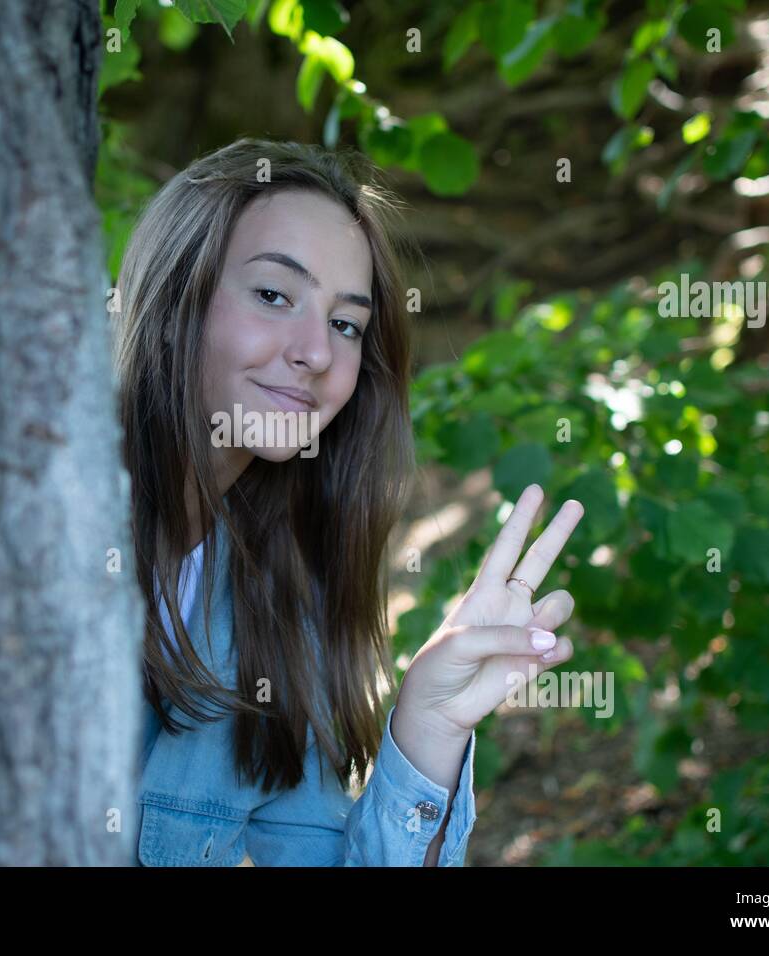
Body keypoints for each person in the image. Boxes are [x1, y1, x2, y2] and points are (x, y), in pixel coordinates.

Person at [111, 137, 585, 866]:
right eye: (274, 295)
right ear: (178, 295)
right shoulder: (14, 519)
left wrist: (428, 726)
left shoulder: (275, 611)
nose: (317, 353)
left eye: (345, 324)